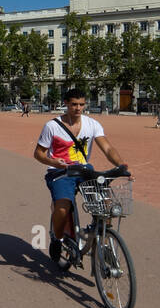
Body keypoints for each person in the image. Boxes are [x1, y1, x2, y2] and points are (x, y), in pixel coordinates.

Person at [34, 87, 127, 265]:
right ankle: (57, 239)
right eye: (74, 104)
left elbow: (107, 148)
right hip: (60, 172)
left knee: (105, 203)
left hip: (85, 170)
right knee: (62, 208)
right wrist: (54, 162)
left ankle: (104, 240)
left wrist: (121, 165)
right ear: (66, 104)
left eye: (82, 104)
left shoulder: (92, 124)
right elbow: (38, 153)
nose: (78, 108)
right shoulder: (52, 126)